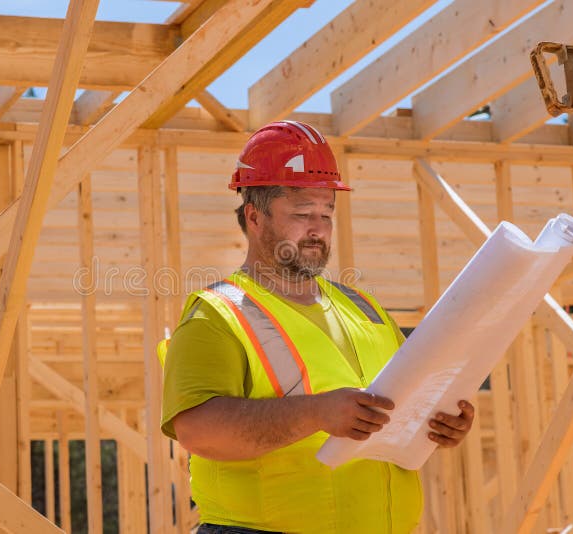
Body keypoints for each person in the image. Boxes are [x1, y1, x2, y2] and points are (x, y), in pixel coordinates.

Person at [159, 121, 474, 533]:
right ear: (254, 217)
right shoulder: (218, 314)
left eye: (326, 213)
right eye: (302, 214)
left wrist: (441, 419)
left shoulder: (363, 307)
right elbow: (197, 431)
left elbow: (409, 396)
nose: (318, 229)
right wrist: (316, 414)